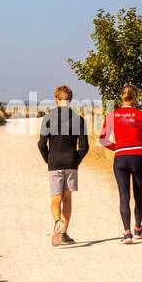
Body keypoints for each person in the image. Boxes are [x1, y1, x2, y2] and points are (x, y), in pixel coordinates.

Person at [100, 85, 142, 244]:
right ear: (135, 97)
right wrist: (139, 148)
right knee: (139, 194)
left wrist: (116, 148)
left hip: (120, 158)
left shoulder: (113, 115)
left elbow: (103, 139)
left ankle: (127, 233)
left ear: (121, 97)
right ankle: (138, 228)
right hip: (138, 157)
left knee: (124, 196)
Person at [36, 86, 89, 247]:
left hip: (54, 162)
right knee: (67, 198)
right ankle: (64, 233)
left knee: (55, 198)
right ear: (71, 99)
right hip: (71, 162)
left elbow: (41, 144)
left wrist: (48, 159)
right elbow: (84, 146)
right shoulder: (78, 119)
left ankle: (57, 221)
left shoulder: (48, 119)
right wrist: (76, 160)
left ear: (56, 99)